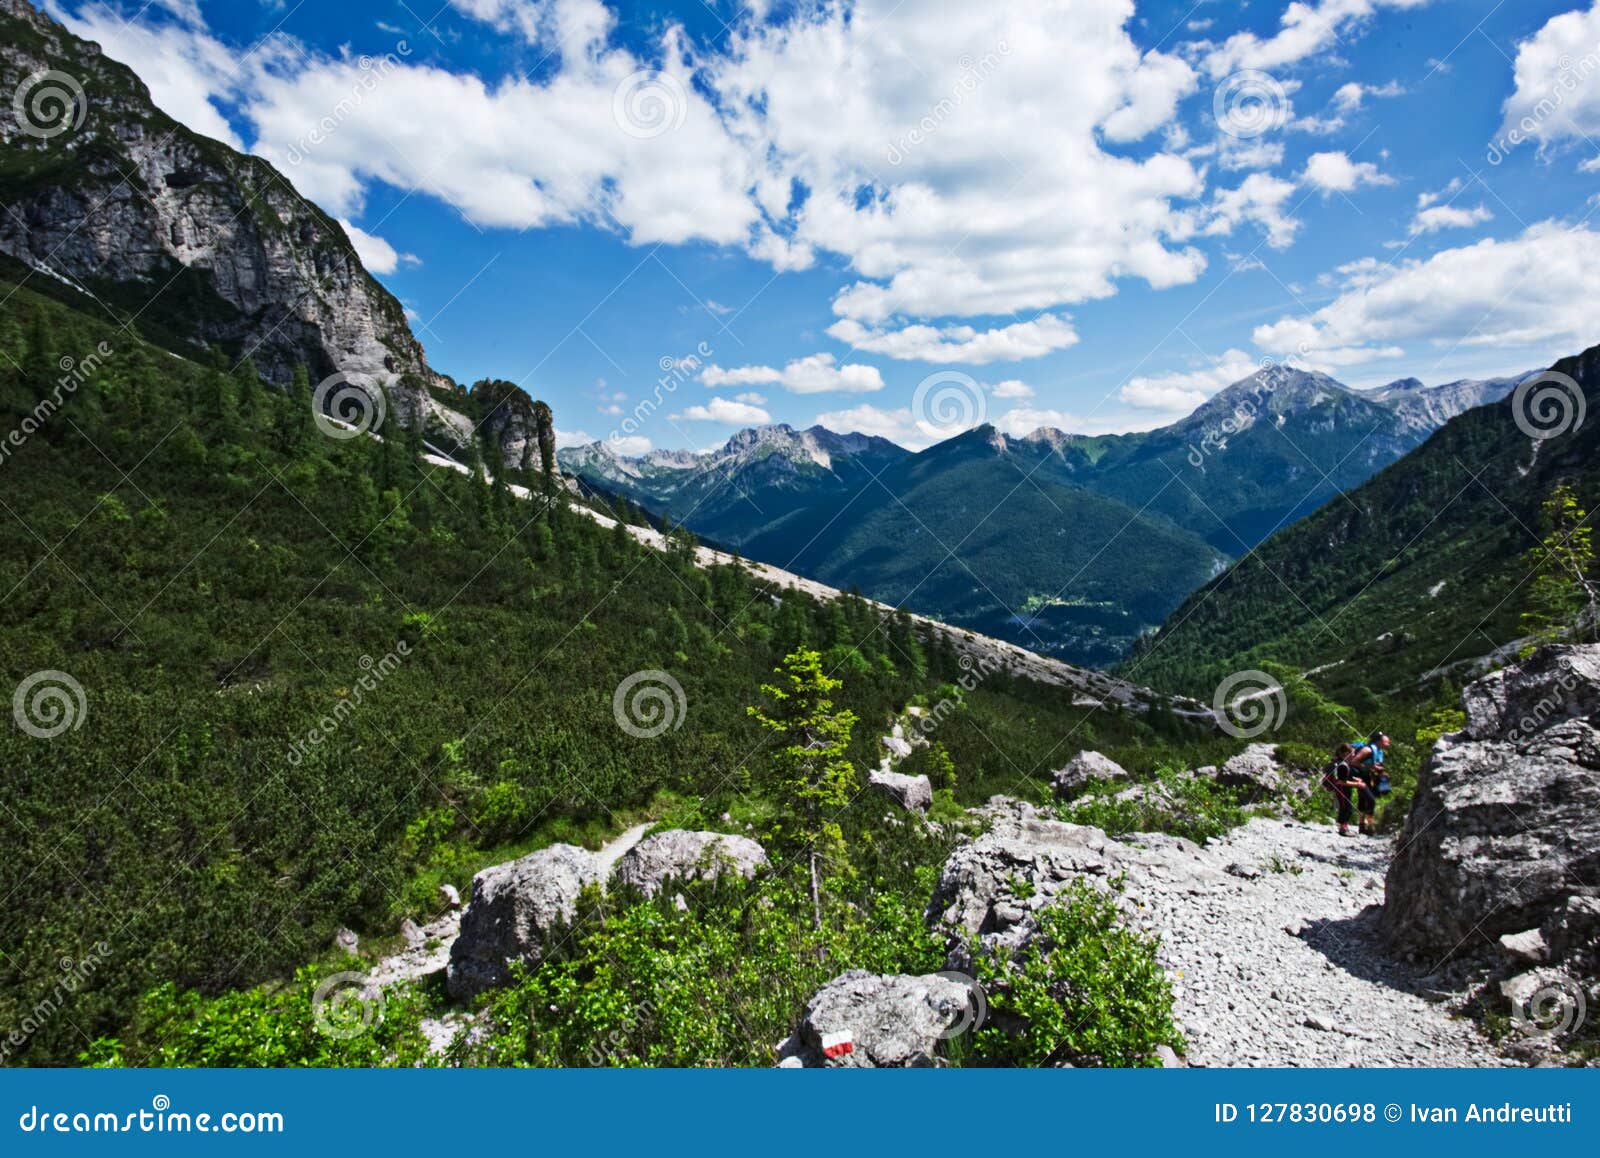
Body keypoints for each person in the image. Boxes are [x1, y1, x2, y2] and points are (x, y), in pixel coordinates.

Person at [1346, 732, 1390, 835]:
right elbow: (1353, 762)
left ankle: (1362, 826)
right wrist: (1370, 767)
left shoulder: (1379, 752)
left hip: (1368, 778)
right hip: (1359, 778)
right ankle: (1370, 825)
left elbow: (1375, 765)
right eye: (1386, 741)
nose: (1388, 744)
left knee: (1363, 801)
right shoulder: (1367, 750)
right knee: (1371, 801)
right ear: (1378, 741)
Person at [1323, 743, 1368, 838]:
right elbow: (1341, 782)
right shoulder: (1343, 765)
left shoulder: (1338, 763)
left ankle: (1343, 827)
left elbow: (1343, 777)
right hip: (1342, 789)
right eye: (1352, 753)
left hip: (1340, 789)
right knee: (1346, 808)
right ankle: (1343, 829)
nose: (1353, 755)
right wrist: (1358, 784)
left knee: (1346, 808)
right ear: (1345, 754)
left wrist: (1355, 780)